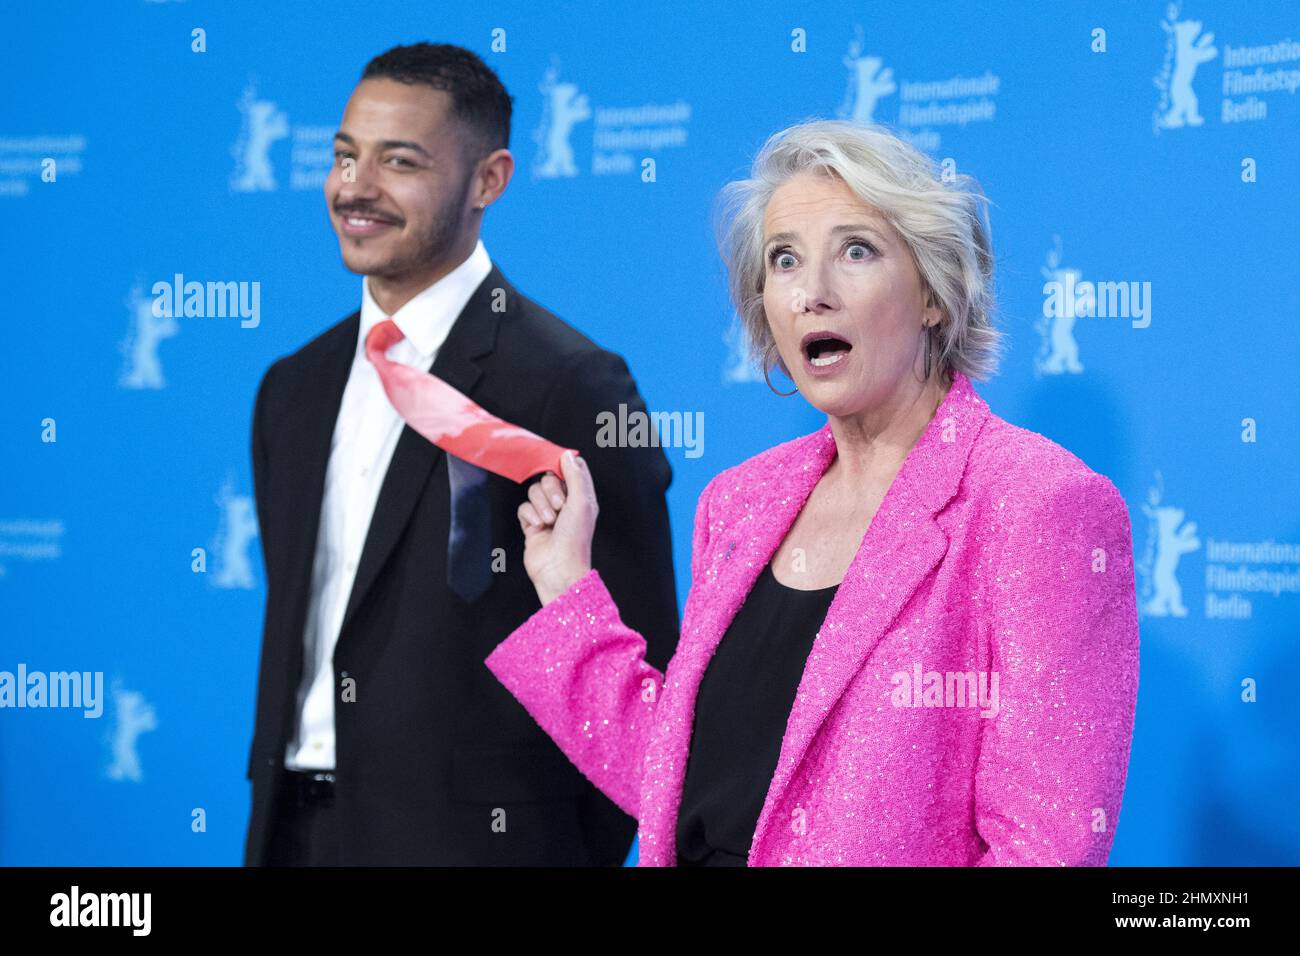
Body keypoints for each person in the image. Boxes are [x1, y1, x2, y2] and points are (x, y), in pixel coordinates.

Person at [487, 119, 1141, 866]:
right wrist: (566, 589)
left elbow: (1045, 848)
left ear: (933, 291)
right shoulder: (738, 503)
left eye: (856, 251)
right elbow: (680, 784)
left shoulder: (1037, 505)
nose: (813, 293)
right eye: (785, 261)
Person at [243, 42, 679, 866]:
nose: (355, 188)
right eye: (344, 156)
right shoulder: (291, 390)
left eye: (398, 162)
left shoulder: (571, 384)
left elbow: (640, 653)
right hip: (293, 833)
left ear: (490, 179)